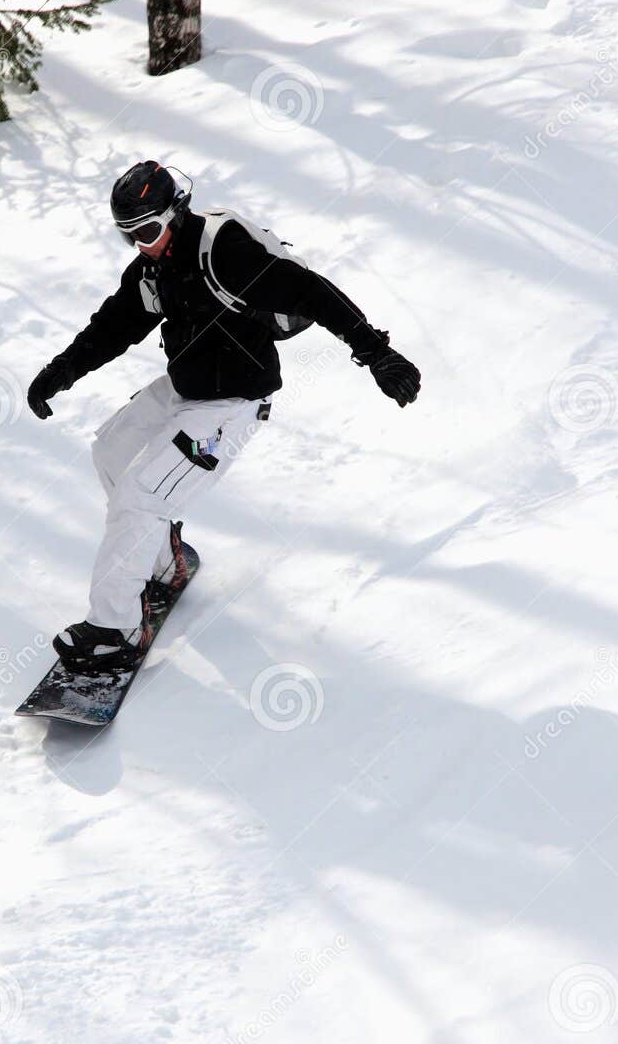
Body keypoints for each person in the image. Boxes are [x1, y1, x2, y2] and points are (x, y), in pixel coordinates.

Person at [27, 160, 421, 675]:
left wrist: (376, 353)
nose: (140, 245)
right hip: (185, 386)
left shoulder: (226, 254)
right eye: (128, 237)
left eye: (146, 231)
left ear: (173, 214)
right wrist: (60, 372)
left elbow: (312, 292)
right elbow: (113, 327)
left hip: (231, 404)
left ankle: (114, 631)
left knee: (141, 496)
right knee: (111, 454)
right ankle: (163, 563)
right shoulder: (153, 268)